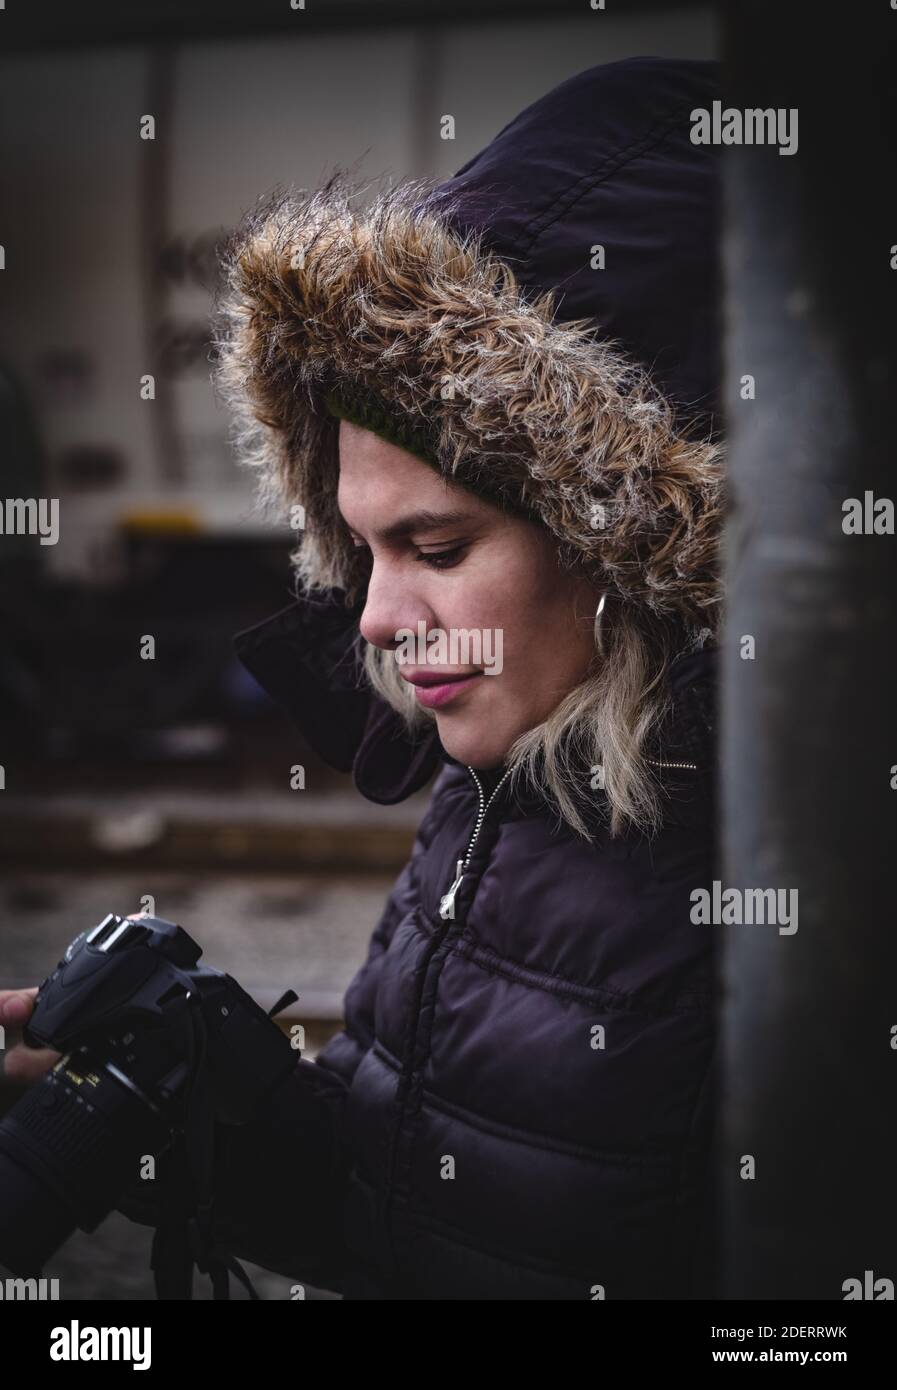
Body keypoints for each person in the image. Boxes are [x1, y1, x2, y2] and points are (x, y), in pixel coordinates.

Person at [1, 56, 726, 1299]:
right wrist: (207, 1108)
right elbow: (419, 1226)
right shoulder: (508, 785)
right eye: (361, 545)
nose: (379, 618)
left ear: (637, 539)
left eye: (436, 548)